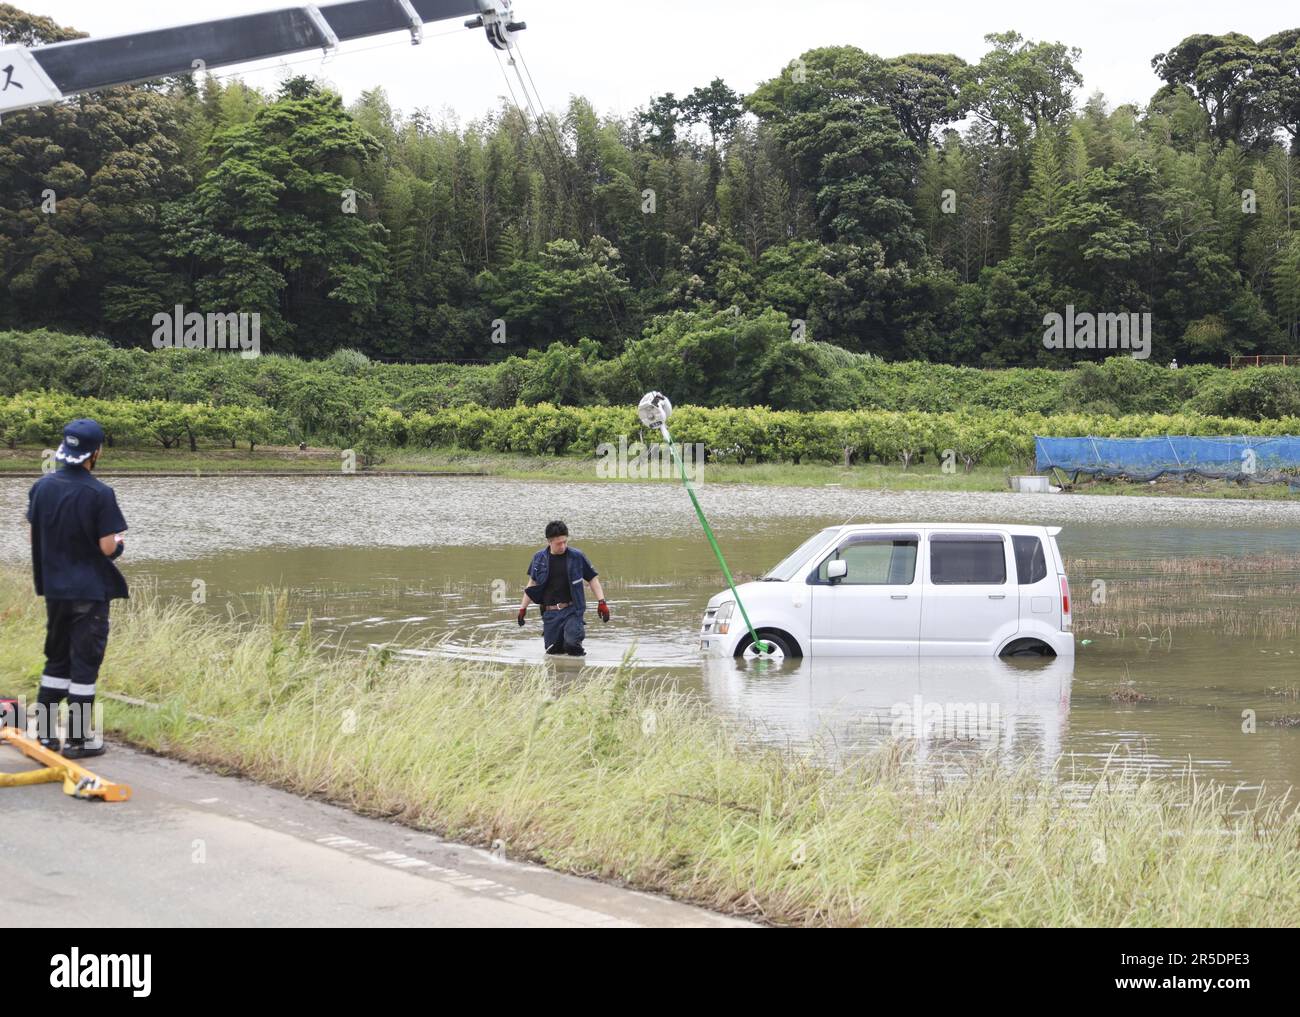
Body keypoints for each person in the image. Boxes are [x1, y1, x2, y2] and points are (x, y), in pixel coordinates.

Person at [26, 419, 129, 759]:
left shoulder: (41, 488)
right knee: (84, 667)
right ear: (96, 452)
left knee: (55, 661)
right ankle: (78, 740)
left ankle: (42, 736)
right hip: (89, 593)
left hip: (54, 591)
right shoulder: (100, 493)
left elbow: (34, 535)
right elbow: (106, 547)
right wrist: (119, 543)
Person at [517, 521, 609, 656]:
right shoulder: (539, 559)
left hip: (573, 610)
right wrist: (522, 608)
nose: (563, 546)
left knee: (572, 644)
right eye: (559, 543)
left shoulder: (577, 556)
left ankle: (579, 671)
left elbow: (593, 579)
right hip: (550, 613)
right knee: (552, 652)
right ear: (549, 542)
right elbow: (532, 583)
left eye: (565, 542)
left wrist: (602, 602)